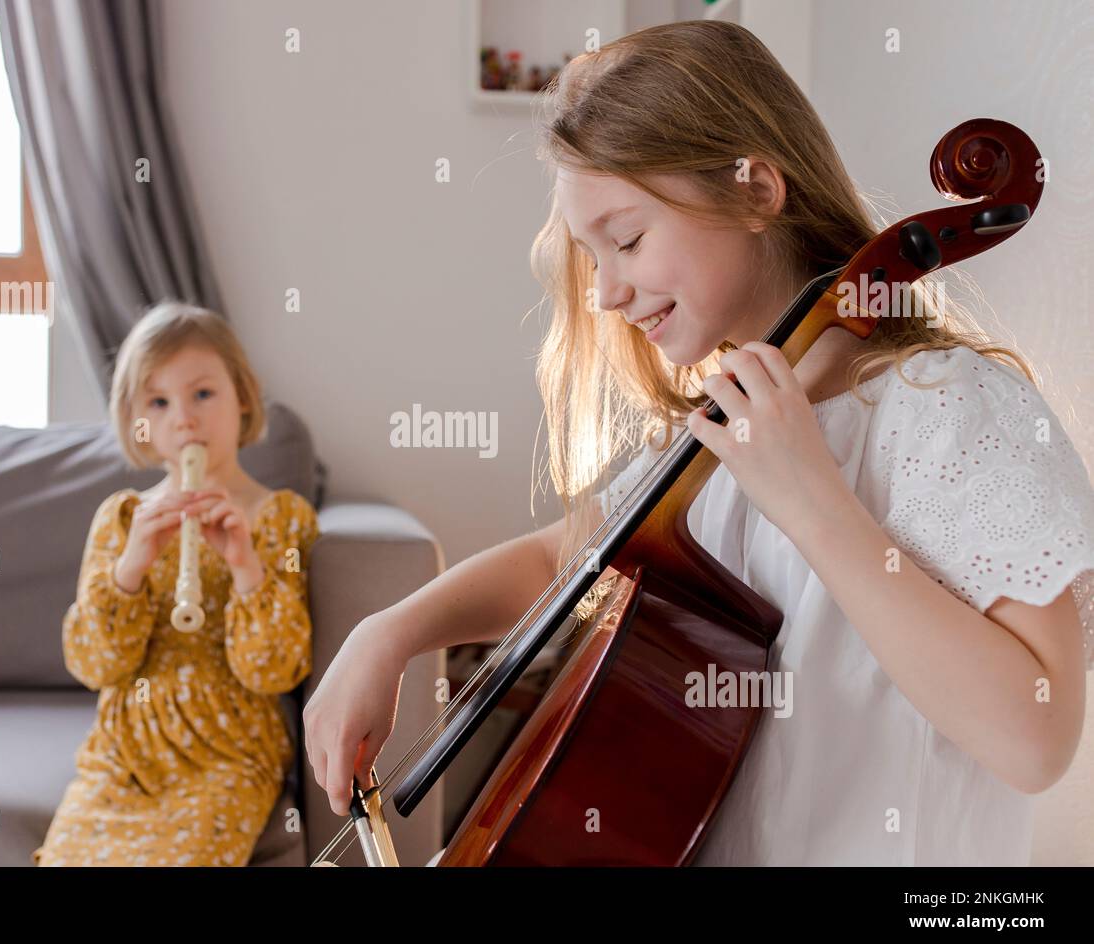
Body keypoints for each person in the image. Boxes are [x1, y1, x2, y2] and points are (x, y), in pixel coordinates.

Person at [302, 21, 1094, 865]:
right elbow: (568, 558)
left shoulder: (948, 407)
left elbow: (1036, 736)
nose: (605, 290)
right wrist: (386, 633)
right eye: (590, 254)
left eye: (629, 239)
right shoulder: (718, 424)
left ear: (756, 190)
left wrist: (813, 502)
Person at [34, 301, 319, 866]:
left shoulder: (281, 517)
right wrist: (131, 569)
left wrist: (244, 566)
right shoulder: (123, 520)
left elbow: (277, 669)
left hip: (228, 752)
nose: (183, 418)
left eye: (202, 394)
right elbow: (94, 664)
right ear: (136, 422)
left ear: (242, 397)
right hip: (127, 754)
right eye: (158, 402)